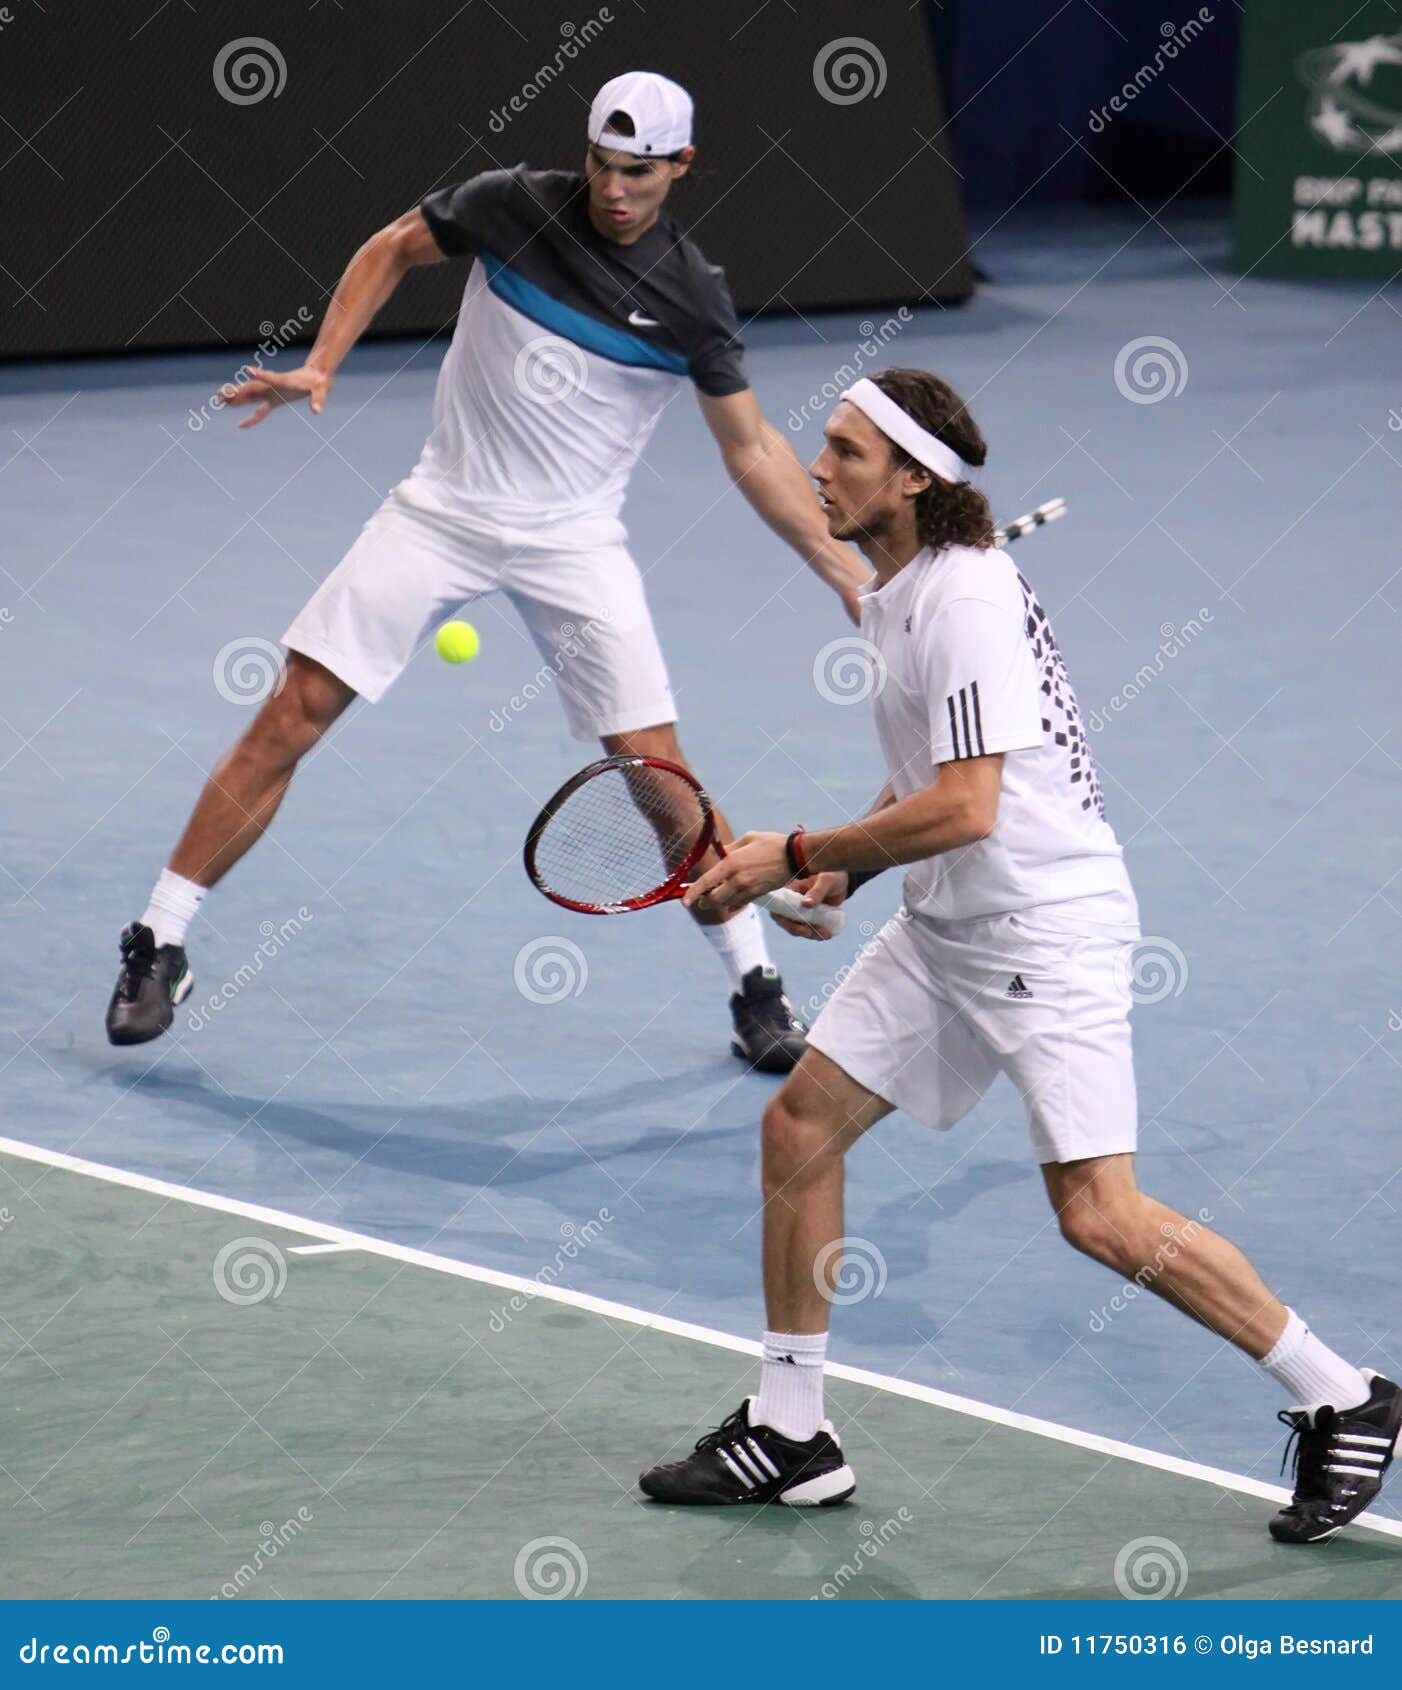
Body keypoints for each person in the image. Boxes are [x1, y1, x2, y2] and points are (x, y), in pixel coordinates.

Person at [638, 367, 1401, 1542]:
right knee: (798, 1125)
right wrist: (847, 863)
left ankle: (1343, 1393)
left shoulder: (965, 601)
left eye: (842, 451)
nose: (816, 467)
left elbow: (970, 806)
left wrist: (792, 844)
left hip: (1042, 929)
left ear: (909, 477)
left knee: (1098, 1213)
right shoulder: (902, 587)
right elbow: (930, 775)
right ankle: (792, 1432)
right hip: (949, 925)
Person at [105, 70, 867, 1072]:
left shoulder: (691, 296)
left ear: (680, 167)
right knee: (292, 706)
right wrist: (325, 361)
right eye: (600, 163)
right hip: (442, 510)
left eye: (638, 171)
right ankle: (158, 940)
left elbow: (751, 446)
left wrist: (839, 565)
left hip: (574, 541)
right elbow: (391, 248)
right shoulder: (511, 201)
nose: (613, 188)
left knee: (657, 775)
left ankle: (754, 986)